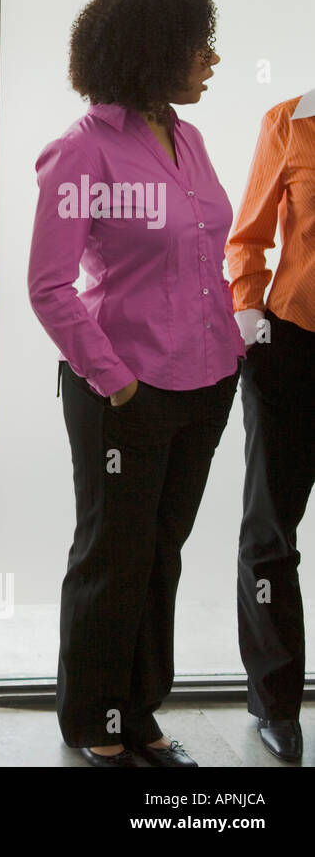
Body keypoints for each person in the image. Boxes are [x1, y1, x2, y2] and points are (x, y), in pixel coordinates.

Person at [28, 0, 242, 768]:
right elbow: (48, 286)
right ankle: (94, 720)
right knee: (113, 556)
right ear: (150, 52)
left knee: (162, 553)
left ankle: (140, 710)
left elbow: (205, 255)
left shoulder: (187, 138)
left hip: (206, 379)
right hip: (126, 390)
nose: (210, 59)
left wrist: (232, 348)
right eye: (197, 44)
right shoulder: (83, 150)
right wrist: (116, 380)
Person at [225, 88, 315, 764]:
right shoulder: (289, 121)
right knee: (270, 532)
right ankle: (276, 703)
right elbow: (248, 235)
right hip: (294, 348)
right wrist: (253, 325)